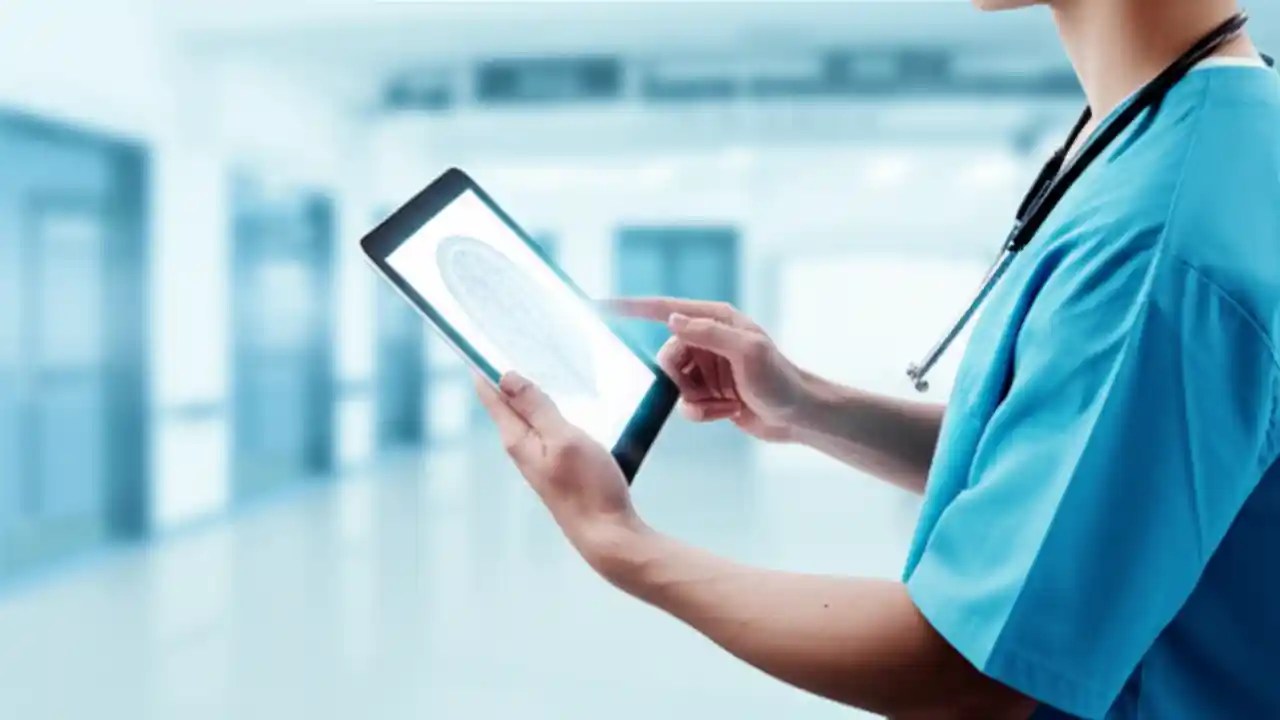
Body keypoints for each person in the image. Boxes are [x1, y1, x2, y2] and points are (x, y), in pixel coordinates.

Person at [473, 0, 1280, 717]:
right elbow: (1091, 475)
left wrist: (619, 542)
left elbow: (967, 678)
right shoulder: (1214, 126)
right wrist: (807, 405)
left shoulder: (1155, 233)